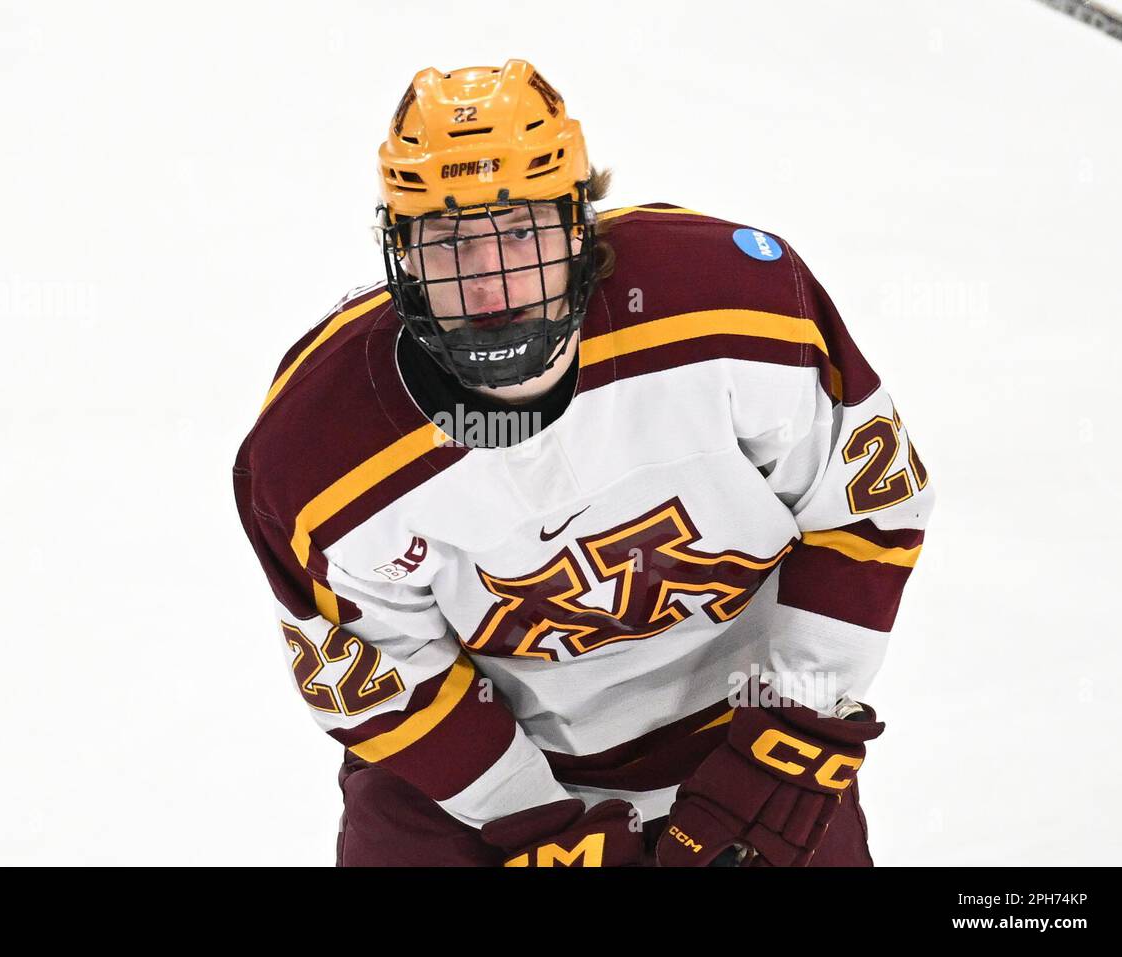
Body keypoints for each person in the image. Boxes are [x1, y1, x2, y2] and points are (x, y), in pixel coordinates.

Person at [233, 59, 935, 866]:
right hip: (476, 782)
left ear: (579, 225)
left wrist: (788, 734)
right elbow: (383, 672)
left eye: (521, 231)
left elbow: (863, 507)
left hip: (739, 724)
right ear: (401, 256)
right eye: (450, 240)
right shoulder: (316, 451)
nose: (489, 281)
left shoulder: (733, 309)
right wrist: (534, 825)